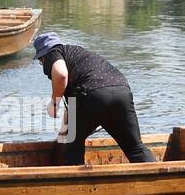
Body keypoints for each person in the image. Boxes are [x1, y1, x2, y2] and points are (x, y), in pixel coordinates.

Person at [32, 32, 158, 166]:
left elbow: (61, 74)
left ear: (43, 57)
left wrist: (54, 103)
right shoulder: (78, 55)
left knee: (73, 148)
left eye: (40, 61)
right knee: (135, 148)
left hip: (92, 95)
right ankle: (158, 181)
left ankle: (76, 185)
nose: (42, 64)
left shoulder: (54, 52)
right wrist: (62, 136)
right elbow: (73, 110)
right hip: (122, 91)